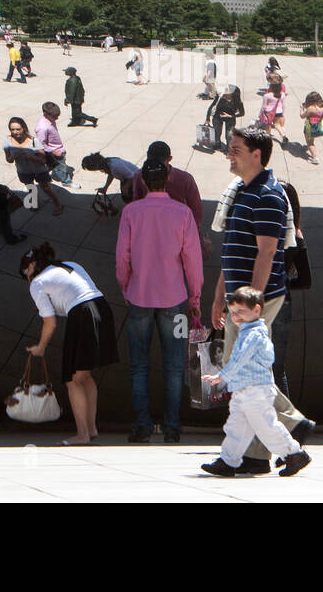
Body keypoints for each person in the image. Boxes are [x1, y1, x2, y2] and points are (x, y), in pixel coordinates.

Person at [210, 127, 313, 473]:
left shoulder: (268, 195)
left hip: (257, 299)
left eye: (236, 148)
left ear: (257, 154)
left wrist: (251, 304)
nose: (229, 153)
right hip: (239, 298)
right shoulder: (240, 191)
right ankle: (255, 456)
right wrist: (219, 297)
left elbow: (267, 253)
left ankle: (292, 425)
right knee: (250, 374)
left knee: (243, 372)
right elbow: (232, 251)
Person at [115, 158, 204, 443]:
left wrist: (125, 286)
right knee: (174, 364)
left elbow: (122, 257)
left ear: (141, 181)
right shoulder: (183, 213)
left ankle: (141, 425)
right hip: (174, 298)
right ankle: (172, 427)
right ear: (167, 178)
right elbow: (193, 260)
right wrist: (195, 297)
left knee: (139, 364)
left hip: (139, 296)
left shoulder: (131, 212)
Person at [200, 286, 312, 477]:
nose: (236, 316)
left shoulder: (254, 334)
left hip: (256, 391)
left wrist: (222, 376)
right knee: (236, 427)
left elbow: (240, 358)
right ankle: (228, 461)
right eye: (233, 312)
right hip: (244, 390)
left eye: (241, 311)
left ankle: (294, 453)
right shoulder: (246, 332)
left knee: (266, 427)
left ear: (257, 309)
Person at [21, 241, 118, 445]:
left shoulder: (37, 282)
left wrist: (41, 347)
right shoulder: (70, 265)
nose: (27, 279)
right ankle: (91, 429)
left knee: (72, 380)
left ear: (30, 268)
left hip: (81, 314)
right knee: (84, 375)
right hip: (102, 308)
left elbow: (50, 322)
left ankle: (82, 434)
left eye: (25, 275)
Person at [4, 116, 63, 215]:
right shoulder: (7, 141)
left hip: (39, 170)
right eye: (12, 129)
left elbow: (43, 160)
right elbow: (8, 159)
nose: (15, 132)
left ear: (24, 128)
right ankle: (36, 203)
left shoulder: (34, 141)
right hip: (23, 171)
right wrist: (13, 157)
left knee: (46, 188)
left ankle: (58, 204)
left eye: (18, 129)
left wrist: (31, 157)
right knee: (31, 188)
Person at [36, 102, 73, 186]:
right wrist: (54, 152)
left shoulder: (49, 120)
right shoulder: (42, 127)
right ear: (45, 114)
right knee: (61, 167)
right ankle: (66, 182)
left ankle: (42, 176)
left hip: (56, 147)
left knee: (50, 165)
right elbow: (41, 144)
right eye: (55, 116)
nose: (57, 118)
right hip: (54, 151)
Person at [206, 84, 244, 153]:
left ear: (232, 93)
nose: (225, 91)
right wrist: (207, 118)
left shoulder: (237, 101)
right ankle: (217, 145)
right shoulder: (220, 96)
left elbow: (242, 113)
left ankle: (228, 149)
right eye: (225, 89)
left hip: (230, 118)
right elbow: (211, 106)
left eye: (227, 90)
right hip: (218, 117)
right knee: (217, 133)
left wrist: (230, 116)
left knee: (229, 135)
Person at [299, 91, 323, 165]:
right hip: (318, 126)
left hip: (309, 127)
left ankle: (315, 158)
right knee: (312, 140)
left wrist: (301, 108)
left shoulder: (310, 108)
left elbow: (302, 116)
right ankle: (313, 152)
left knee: (309, 143)